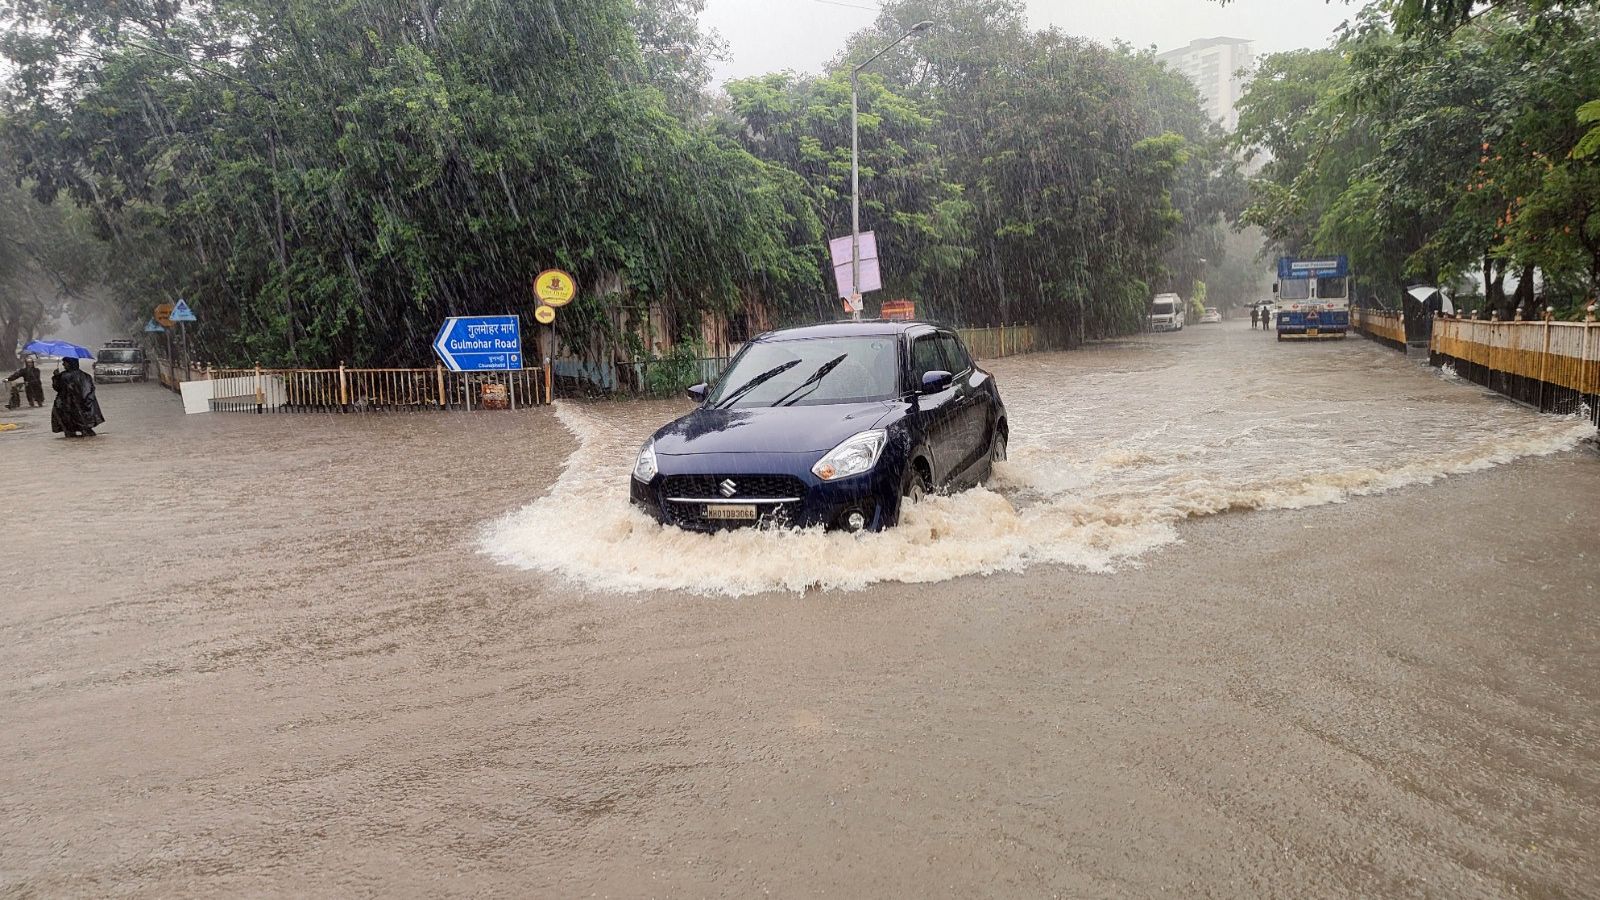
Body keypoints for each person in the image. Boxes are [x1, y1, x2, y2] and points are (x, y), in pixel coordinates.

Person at [51, 357, 105, 438]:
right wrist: (56, 377)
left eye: (65, 362)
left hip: (73, 407)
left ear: (70, 363)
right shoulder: (84, 376)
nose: (63, 364)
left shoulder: (76, 376)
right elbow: (58, 388)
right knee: (80, 429)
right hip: (71, 407)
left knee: (76, 429)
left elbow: (86, 392)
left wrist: (57, 378)